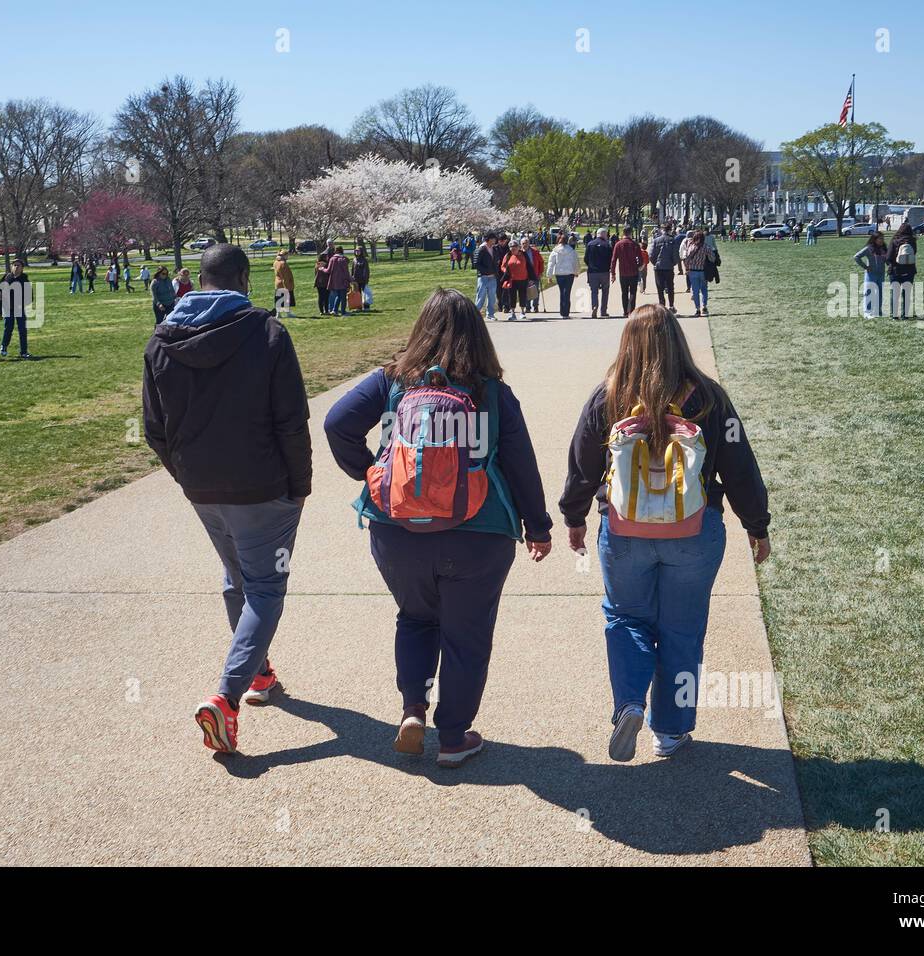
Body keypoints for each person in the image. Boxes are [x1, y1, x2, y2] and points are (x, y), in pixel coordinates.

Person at [322, 288, 552, 767]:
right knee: (467, 636)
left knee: (415, 617)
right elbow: (521, 464)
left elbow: (336, 423)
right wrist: (537, 525)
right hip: (478, 533)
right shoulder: (492, 393)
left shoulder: (392, 382)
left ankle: (412, 710)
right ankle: (452, 738)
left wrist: (371, 472)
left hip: (397, 528)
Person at [559, 305, 771, 761]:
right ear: (678, 341)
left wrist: (574, 518)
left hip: (624, 531)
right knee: (683, 629)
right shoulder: (710, 399)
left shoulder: (608, 397)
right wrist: (757, 525)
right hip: (693, 533)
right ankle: (670, 731)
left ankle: (631, 702)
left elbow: (582, 465)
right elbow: (739, 468)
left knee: (626, 617)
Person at [142, 243, 311, 755]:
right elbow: (291, 421)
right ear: (243, 278)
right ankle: (227, 696)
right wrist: (299, 485)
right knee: (264, 588)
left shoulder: (161, 339)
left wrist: (187, 475)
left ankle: (258, 674)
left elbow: (155, 431)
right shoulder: (267, 333)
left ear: (198, 278)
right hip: (264, 487)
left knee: (237, 576)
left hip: (203, 486)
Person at [0, 260, 32, 359]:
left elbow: (29, 295)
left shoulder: (24, 279)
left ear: (22, 268)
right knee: (8, 328)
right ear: (12, 266)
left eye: (19, 265)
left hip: (19, 308)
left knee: (22, 330)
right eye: (15, 265)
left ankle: (23, 352)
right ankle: (4, 346)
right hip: (8, 309)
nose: (16, 267)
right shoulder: (6, 277)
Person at [679, 231, 716, 317]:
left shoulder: (691, 247)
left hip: (693, 271)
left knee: (695, 291)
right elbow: (712, 259)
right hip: (703, 271)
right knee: (704, 289)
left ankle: (697, 309)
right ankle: (705, 306)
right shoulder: (706, 247)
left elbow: (686, 259)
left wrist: (687, 267)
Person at [886, 223, 919, 319]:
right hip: (909, 270)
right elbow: (914, 253)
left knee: (895, 294)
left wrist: (890, 264)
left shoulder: (894, 240)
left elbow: (888, 257)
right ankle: (905, 315)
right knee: (907, 294)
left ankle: (894, 315)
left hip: (895, 270)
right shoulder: (912, 241)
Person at [610, 227, 645, 317]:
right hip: (633, 272)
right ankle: (632, 310)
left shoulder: (618, 244)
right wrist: (639, 266)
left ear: (623, 233)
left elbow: (613, 260)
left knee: (624, 292)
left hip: (623, 273)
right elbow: (640, 259)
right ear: (630, 233)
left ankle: (625, 311)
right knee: (633, 292)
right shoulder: (634, 244)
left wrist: (613, 273)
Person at [854, 233, 888, 318]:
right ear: (874, 239)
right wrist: (865, 267)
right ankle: (867, 312)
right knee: (869, 293)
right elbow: (856, 257)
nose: (881, 240)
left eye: (882, 238)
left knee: (880, 293)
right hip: (871, 275)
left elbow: (887, 260)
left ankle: (878, 311)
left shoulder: (884, 249)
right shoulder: (869, 248)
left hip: (881, 274)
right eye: (880, 239)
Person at [498, 238, 534, 321]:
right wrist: (506, 271)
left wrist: (531, 277)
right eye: (511, 248)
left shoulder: (524, 255)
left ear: (518, 247)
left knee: (523, 296)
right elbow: (502, 266)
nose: (513, 250)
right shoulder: (508, 255)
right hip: (512, 280)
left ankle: (522, 312)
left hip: (523, 279)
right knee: (512, 297)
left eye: (515, 248)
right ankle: (513, 313)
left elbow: (529, 266)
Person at [546, 231, 579, 318]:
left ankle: (562, 312)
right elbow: (575, 262)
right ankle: (566, 312)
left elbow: (551, 264)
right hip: (569, 273)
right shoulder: (571, 250)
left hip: (559, 274)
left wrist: (549, 275)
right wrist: (576, 272)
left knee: (562, 292)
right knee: (567, 292)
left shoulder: (555, 251)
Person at [649, 225, 680, 312]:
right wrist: (673, 263)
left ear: (662, 230)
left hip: (658, 267)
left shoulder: (656, 240)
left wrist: (655, 263)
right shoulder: (672, 241)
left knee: (660, 288)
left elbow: (651, 255)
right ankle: (671, 305)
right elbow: (675, 255)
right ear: (669, 230)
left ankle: (662, 305)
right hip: (669, 267)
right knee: (670, 287)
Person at [584, 227, 613, 318]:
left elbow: (586, 259)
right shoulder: (607, 245)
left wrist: (591, 265)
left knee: (594, 291)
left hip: (592, 272)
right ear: (604, 235)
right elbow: (611, 259)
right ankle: (603, 311)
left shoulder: (590, 244)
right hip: (604, 271)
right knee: (605, 291)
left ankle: (594, 306)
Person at [473, 233, 499, 320]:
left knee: (492, 297)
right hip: (483, 277)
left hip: (492, 277)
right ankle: (475, 315)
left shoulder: (494, 249)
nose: (495, 240)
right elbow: (476, 264)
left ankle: (490, 314)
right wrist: (486, 271)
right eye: (494, 239)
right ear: (489, 239)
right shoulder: (481, 249)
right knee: (481, 297)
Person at [326, 247, 351, 315]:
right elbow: (346, 272)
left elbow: (328, 270)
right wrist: (350, 279)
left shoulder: (332, 259)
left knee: (338, 296)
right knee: (343, 297)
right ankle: (343, 312)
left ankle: (335, 310)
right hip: (343, 281)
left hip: (335, 282)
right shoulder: (343, 259)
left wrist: (322, 269)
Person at [273, 251, 296, 317]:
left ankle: (278, 314)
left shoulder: (276, 262)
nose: (288, 256)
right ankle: (288, 313)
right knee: (286, 299)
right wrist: (287, 287)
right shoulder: (283, 263)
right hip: (284, 283)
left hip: (278, 283)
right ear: (284, 255)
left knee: (279, 299)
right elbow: (285, 276)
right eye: (287, 255)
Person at [352, 247, 371, 311]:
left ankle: (366, 307)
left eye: (358, 251)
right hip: (356, 280)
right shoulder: (354, 260)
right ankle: (358, 307)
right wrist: (352, 278)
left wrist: (366, 279)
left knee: (365, 293)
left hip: (363, 279)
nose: (357, 252)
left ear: (361, 252)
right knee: (357, 294)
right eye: (356, 251)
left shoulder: (364, 260)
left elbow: (366, 270)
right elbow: (352, 270)